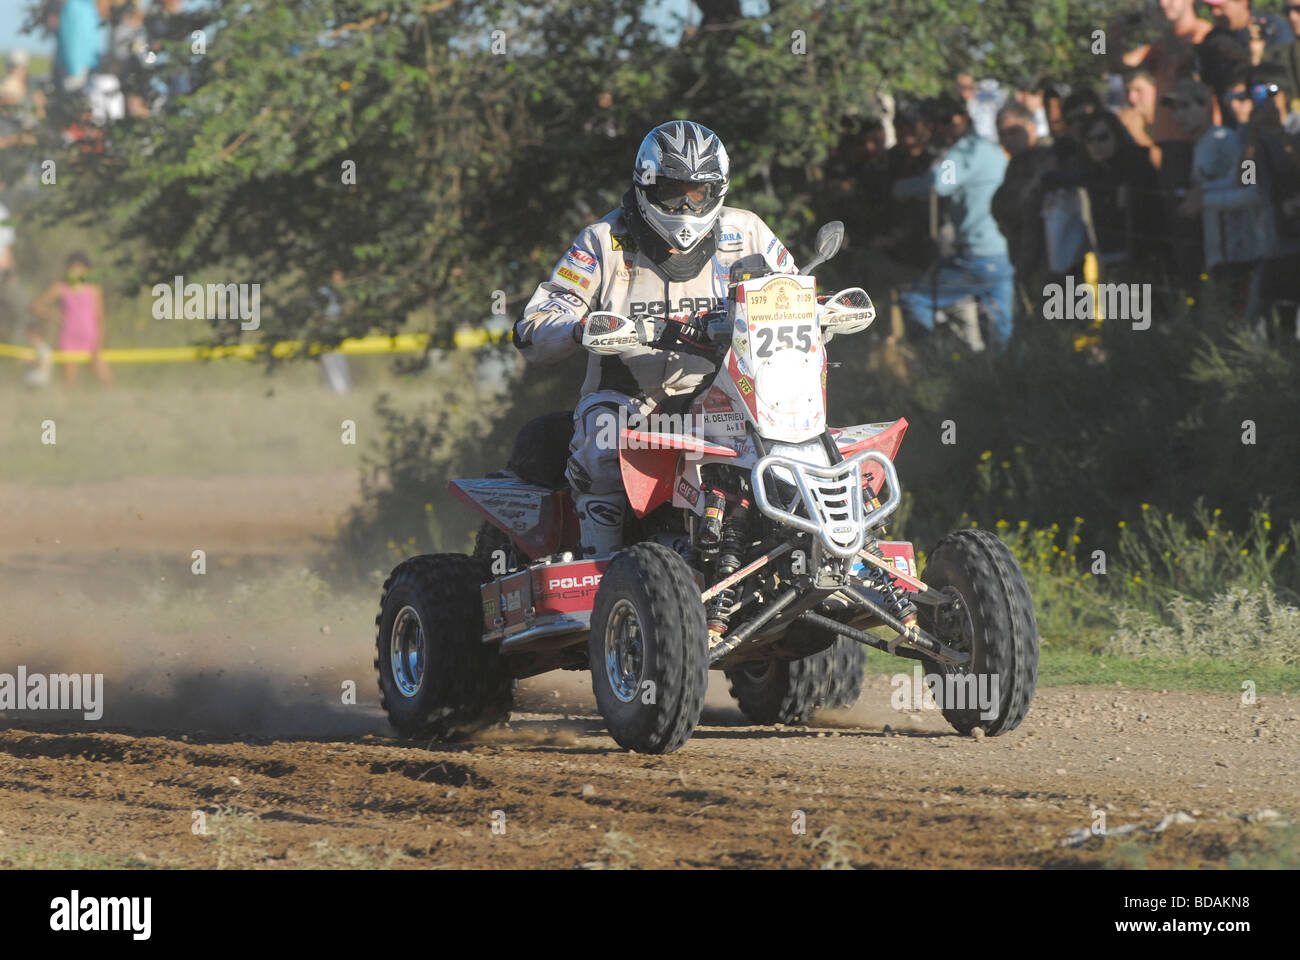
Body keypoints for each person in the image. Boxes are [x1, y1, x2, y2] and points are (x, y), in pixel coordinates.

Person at [513, 120, 797, 557]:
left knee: (797, 442)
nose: (685, 204)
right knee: (601, 439)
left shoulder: (748, 232)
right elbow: (536, 324)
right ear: (646, 185)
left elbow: (793, 289)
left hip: (726, 395)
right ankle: (602, 566)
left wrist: (826, 310)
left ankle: (816, 548)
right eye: (673, 190)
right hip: (631, 398)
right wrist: (575, 327)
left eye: (697, 192)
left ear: (717, 190)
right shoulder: (604, 241)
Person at [892, 95, 1014, 351]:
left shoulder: (967, 150)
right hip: (1002, 254)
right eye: (937, 122)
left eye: (948, 120)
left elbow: (939, 183)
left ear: (966, 118)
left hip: (980, 256)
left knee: (915, 298)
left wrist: (896, 188)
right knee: (1001, 338)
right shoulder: (988, 148)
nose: (943, 127)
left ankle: (933, 371)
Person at [992, 101, 1057, 321]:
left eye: (1013, 131)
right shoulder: (1017, 162)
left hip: (1048, 262)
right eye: (1002, 134)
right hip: (1023, 258)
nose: (1007, 139)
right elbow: (1002, 205)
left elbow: (1024, 204)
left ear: (1030, 127)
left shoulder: (1044, 157)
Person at [28, 251, 112, 385]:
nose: (76, 272)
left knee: (107, 380)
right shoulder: (61, 288)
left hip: (91, 339)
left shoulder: (94, 289)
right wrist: (54, 316)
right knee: (69, 383)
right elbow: (36, 306)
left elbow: (100, 320)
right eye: (73, 268)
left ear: (87, 270)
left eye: (80, 269)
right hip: (69, 340)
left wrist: (99, 344)